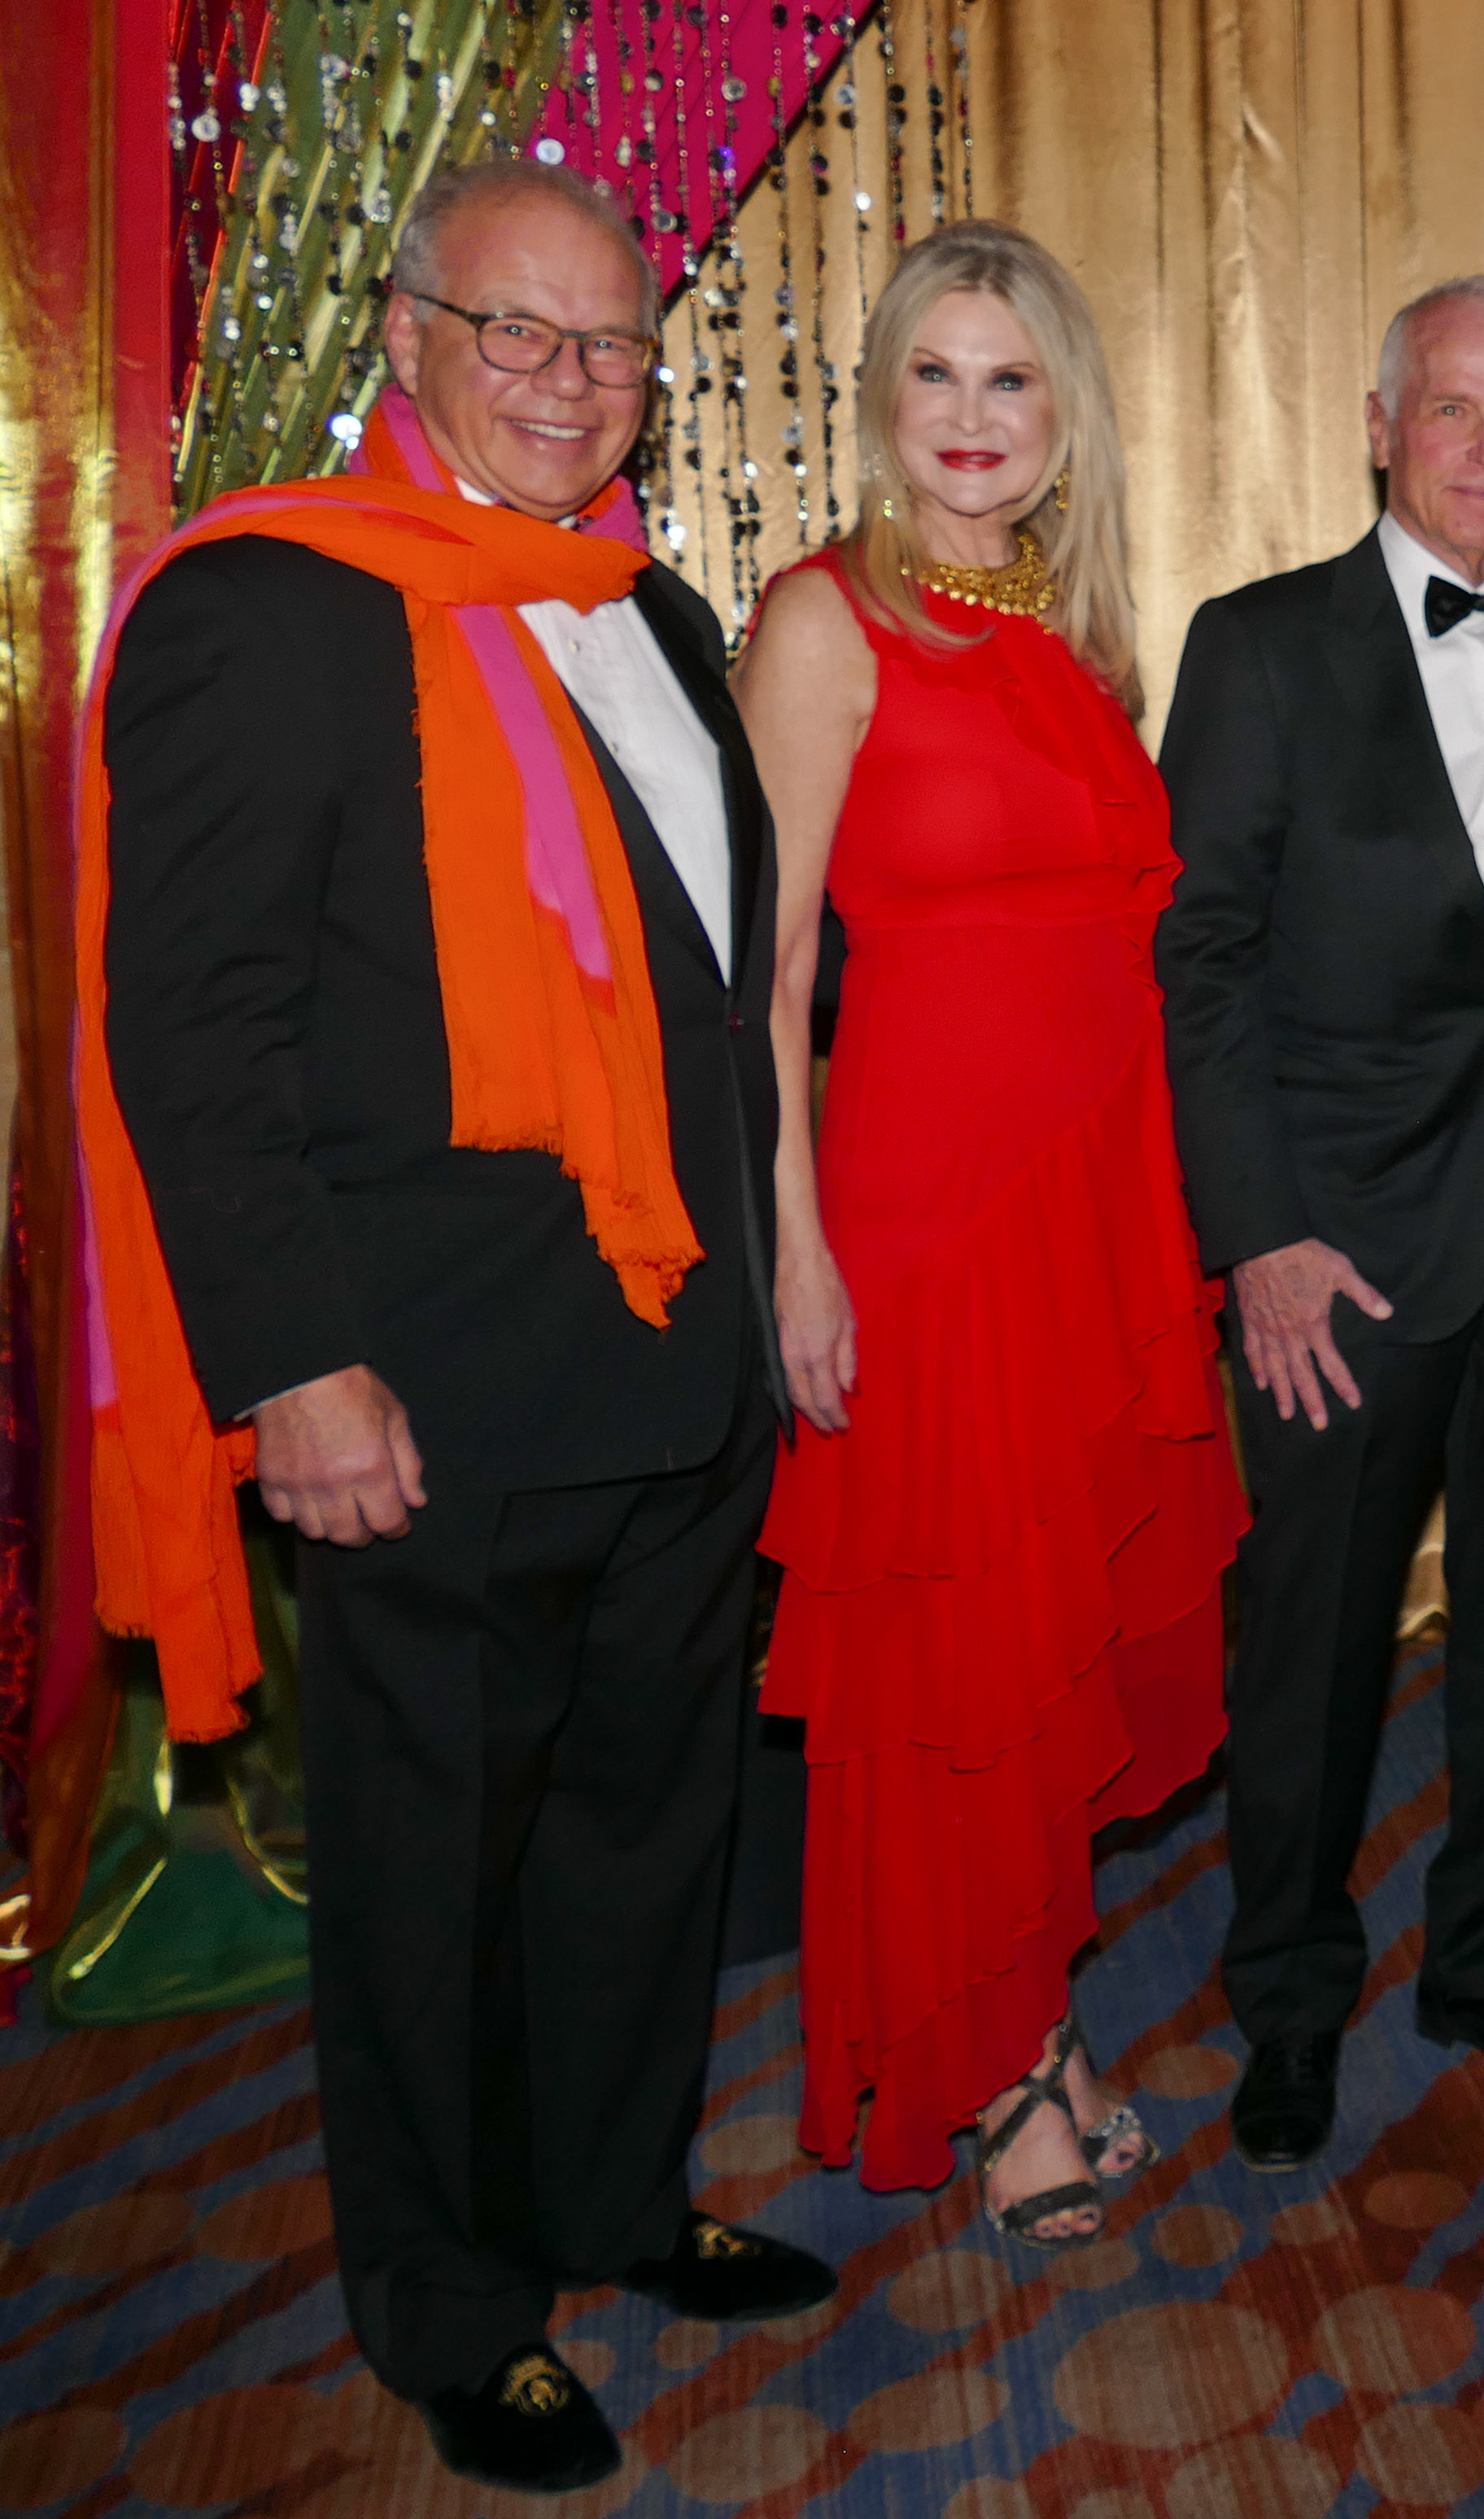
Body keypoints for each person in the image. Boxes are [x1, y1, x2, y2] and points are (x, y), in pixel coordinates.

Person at [80, 156, 831, 2493]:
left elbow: (722, 1011)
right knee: (426, 1870)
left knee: (638, 1824)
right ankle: (444, 2301)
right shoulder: (284, 606)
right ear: (403, 336)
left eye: (606, 344)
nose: (565, 381)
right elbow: (188, 1030)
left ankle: (609, 2199)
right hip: (422, 1395)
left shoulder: (662, 613)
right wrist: (288, 1362)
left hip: (673, 1371)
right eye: (515, 331)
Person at [735, 223, 1245, 2249]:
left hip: (1097, 1229)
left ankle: (1030, 2012)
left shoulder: (1081, 638)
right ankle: (1002, 2070)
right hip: (928, 1233)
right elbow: (766, 978)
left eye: (1009, 382)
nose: (969, 422)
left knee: (1049, 1658)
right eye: (934, 379)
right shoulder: (819, 626)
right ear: (882, 401)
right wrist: (795, 1250)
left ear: (1064, 416)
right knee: (956, 1659)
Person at [1157, 276, 1484, 2164]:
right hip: (1338, 1255)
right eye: (1455, 411)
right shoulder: (1264, 644)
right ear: (1379, 425)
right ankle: (1285, 1995)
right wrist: (1258, 1229)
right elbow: (1196, 958)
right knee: (1313, 1649)